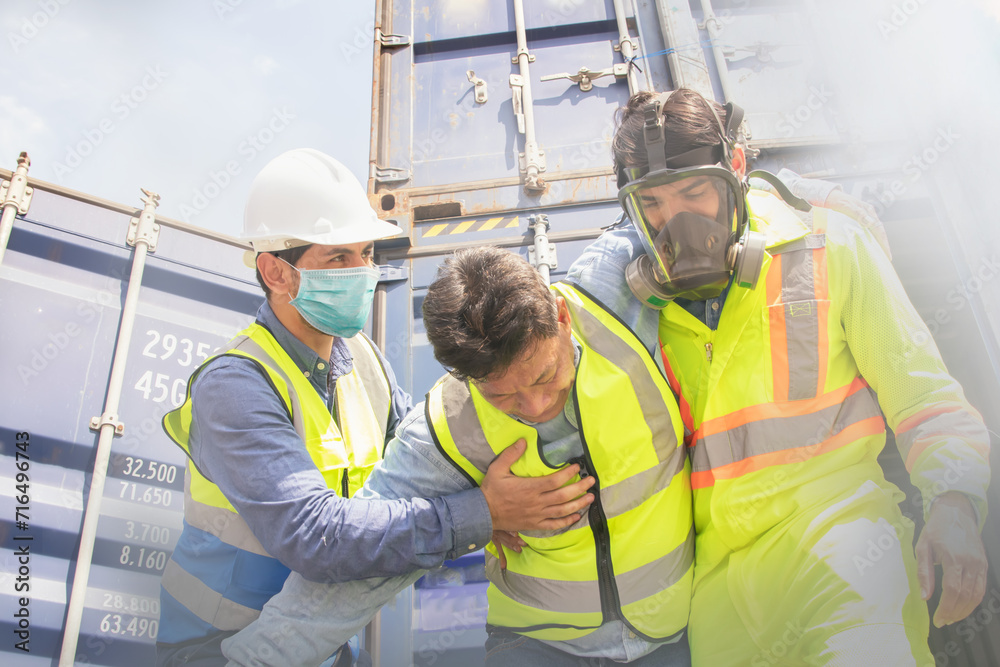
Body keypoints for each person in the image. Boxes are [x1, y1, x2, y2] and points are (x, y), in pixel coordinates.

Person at [565, 88, 991, 664]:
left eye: (695, 193)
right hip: (718, 594)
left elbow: (924, 395)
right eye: (653, 203)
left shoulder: (829, 245)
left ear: (736, 168)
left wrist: (955, 504)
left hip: (845, 553)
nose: (674, 220)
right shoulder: (632, 308)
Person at [155, 149, 594, 666]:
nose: (362, 272)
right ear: (275, 272)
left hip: (326, 649)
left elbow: (428, 467)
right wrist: (484, 513)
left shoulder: (362, 359)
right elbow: (314, 538)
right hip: (221, 650)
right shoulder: (234, 385)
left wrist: (498, 502)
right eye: (338, 259)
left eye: (365, 254)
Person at [221, 246, 694, 667]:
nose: (534, 406)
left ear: (562, 316)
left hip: (671, 638)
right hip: (536, 646)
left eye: (544, 376)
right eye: (502, 396)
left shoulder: (617, 307)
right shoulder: (445, 429)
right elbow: (349, 582)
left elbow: (680, 202)